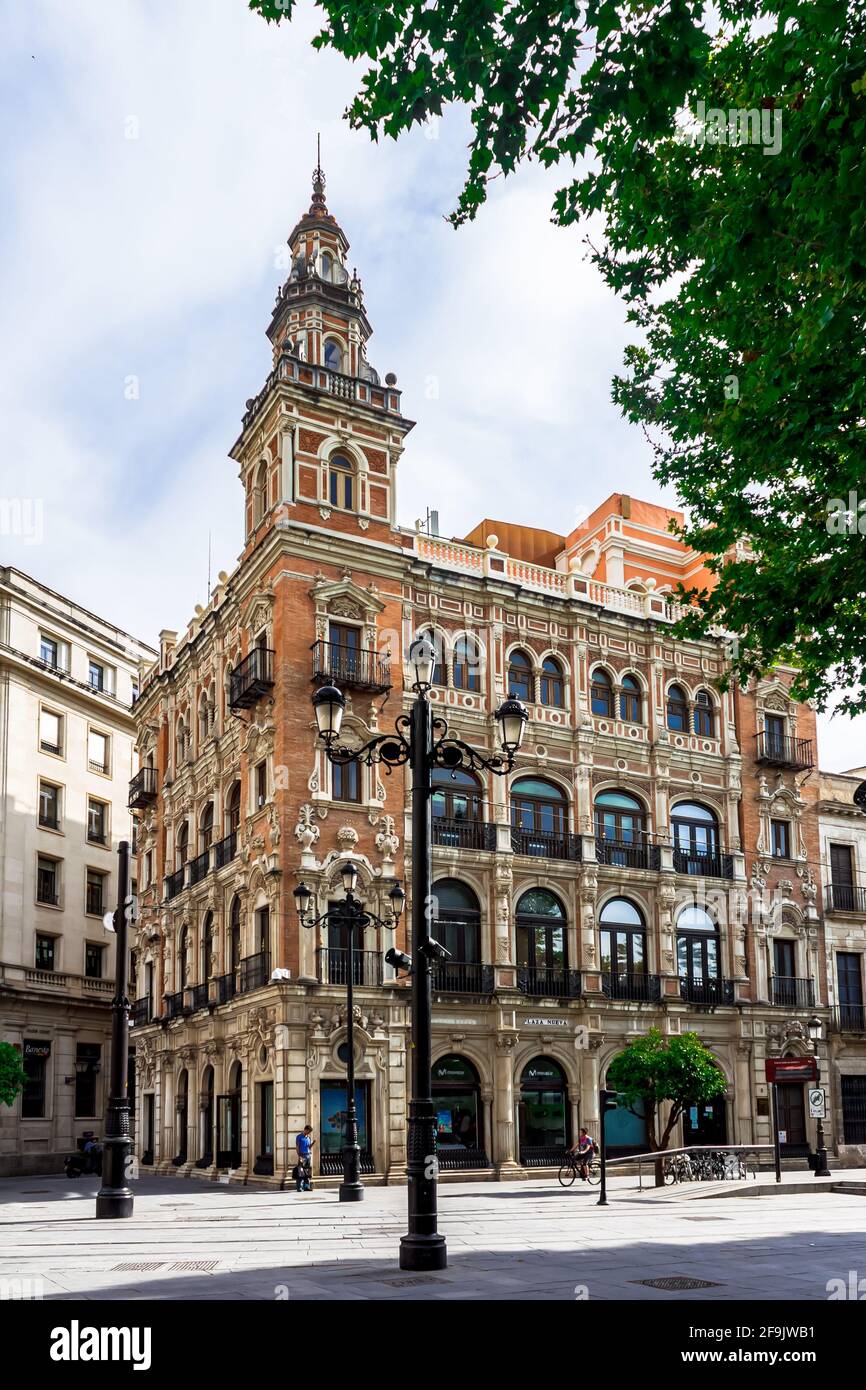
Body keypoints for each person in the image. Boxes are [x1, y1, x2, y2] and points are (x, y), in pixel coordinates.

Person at [295, 1125, 314, 1193]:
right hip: (302, 1156)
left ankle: (306, 1187)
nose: (309, 1133)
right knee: (300, 1172)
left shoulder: (308, 1137)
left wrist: (313, 1143)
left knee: (307, 1172)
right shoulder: (299, 1137)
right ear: (305, 1129)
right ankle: (299, 1187)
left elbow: (309, 1147)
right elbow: (297, 1147)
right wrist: (299, 1156)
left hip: (308, 1155)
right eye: (308, 1131)